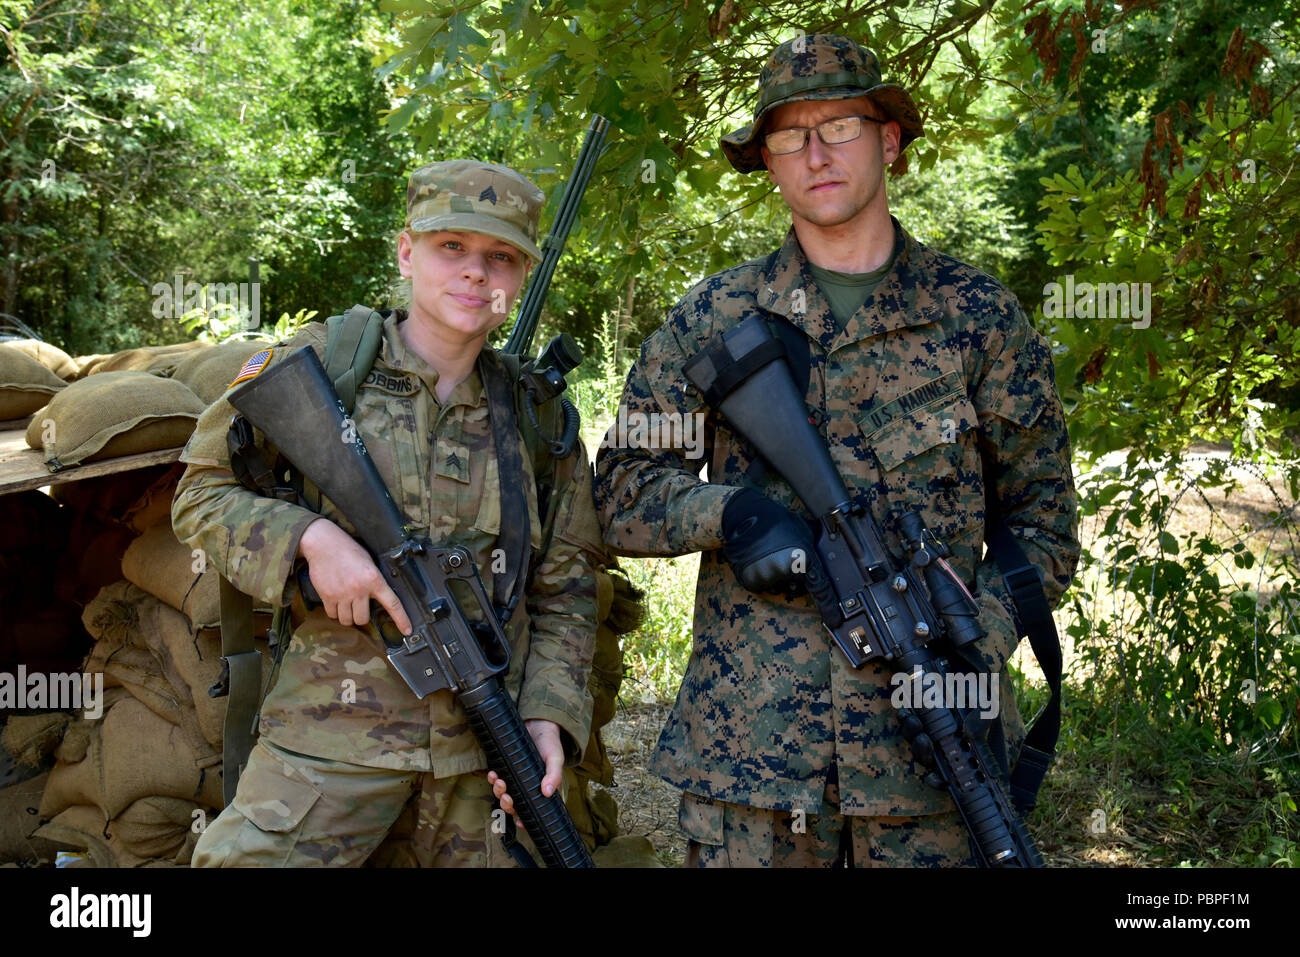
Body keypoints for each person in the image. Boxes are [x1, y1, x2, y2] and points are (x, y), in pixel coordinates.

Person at [591, 34, 1080, 867]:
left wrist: (972, 634)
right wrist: (729, 511)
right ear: (768, 164)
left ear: (888, 140)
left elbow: (1044, 524)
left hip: (932, 768)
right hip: (753, 770)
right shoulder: (712, 320)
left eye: (842, 127)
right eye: (789, 136)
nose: (816, 153)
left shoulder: (978, 318)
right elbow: (621, 489)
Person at [172, 160, 602, 867]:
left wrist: (549, 714)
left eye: (499, 257)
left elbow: (568, 586)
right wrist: (306, 538)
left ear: (521, 275)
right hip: (331, 738)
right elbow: (200, 492)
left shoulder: (537, 414)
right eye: (451, 248)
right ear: (407, 251)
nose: (474, 273)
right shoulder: (322, 366)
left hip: (483, 750)